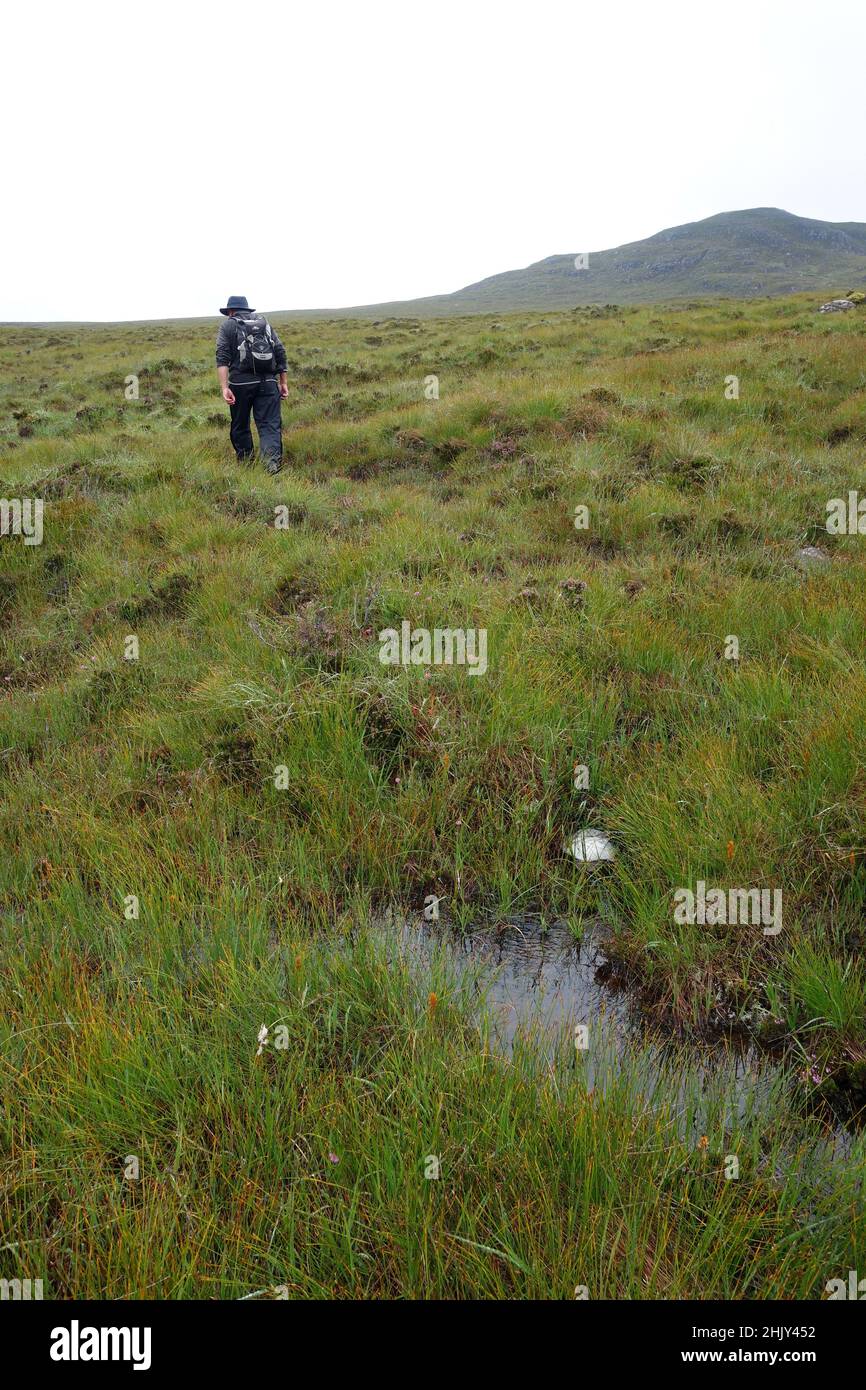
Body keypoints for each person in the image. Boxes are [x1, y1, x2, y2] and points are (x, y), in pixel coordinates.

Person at [215, 295, 289, 473]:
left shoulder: (228, 325)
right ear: (247, 310)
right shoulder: (264, 323)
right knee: (270, 424)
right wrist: (283, 382)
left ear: (230, 311)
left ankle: (246, 465)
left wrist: (225, 387)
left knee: (240, 424)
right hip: (269, 381)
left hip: (240, 384)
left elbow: (222, 357)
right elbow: (279, 351)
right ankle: (271, 465)